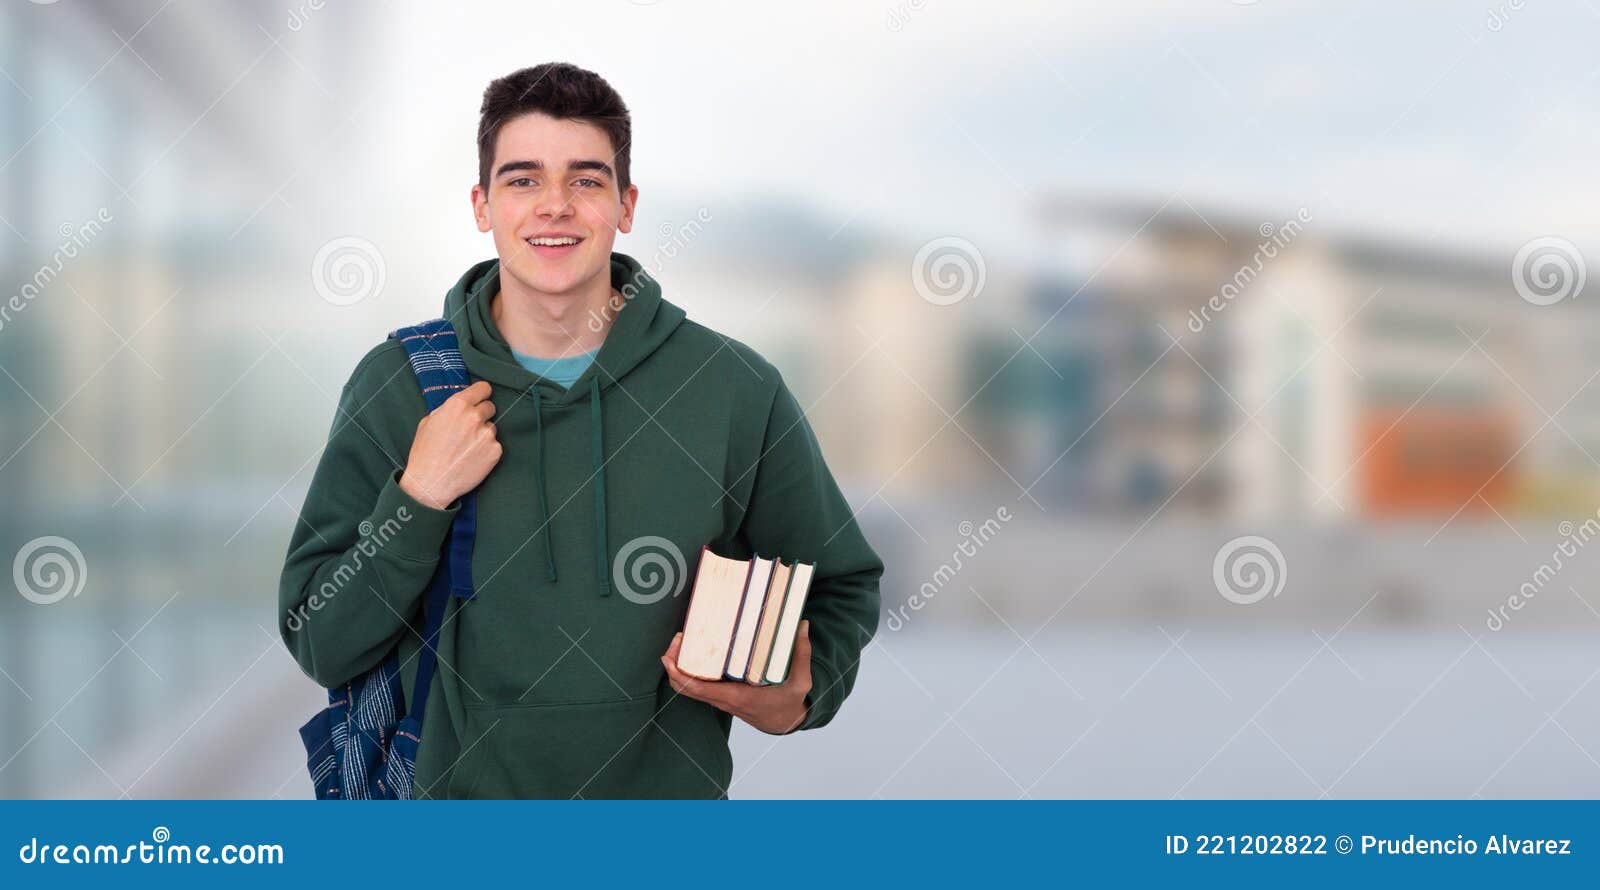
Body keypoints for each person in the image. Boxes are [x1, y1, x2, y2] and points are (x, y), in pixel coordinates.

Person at [277, 62, 884, 799]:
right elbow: (320, 637)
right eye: (523, 179)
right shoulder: (398, 384)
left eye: (587, 181)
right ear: (482, 205)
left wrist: (796, 696)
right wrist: (417, 498)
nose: (554, 206)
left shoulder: (732, 387)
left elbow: (840, 585)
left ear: (626, 206)